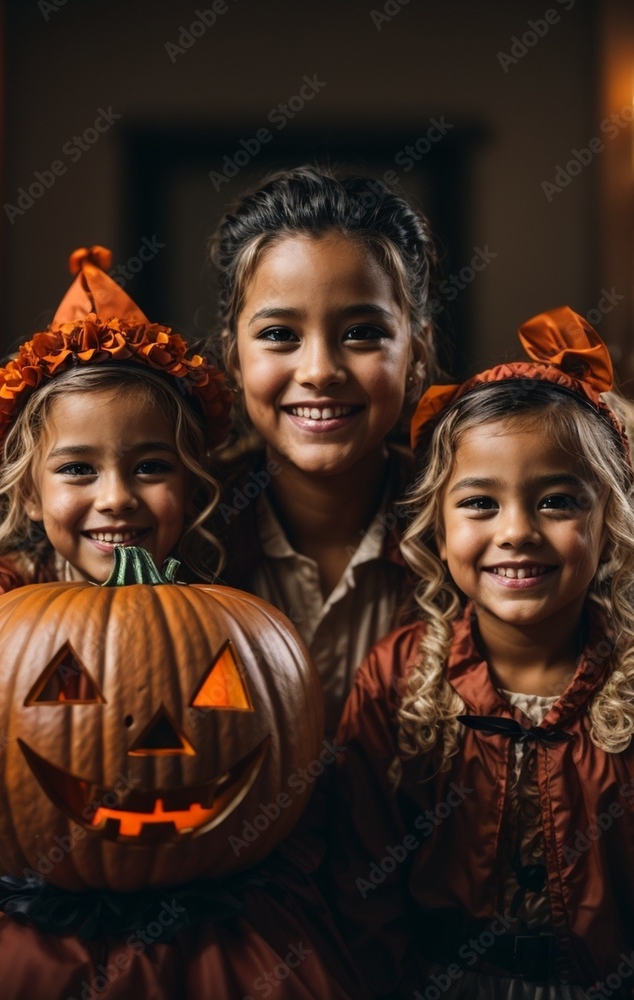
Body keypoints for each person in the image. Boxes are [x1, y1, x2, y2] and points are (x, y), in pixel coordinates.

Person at [0, 247, 368, 1000]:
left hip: (206, 921)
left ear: (192, 482)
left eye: (150, 467)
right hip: (42, 923)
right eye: (78, 470)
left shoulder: (220, 605)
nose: (117, 498)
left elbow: (273, 782)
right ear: (30, 494)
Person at [328, 307, 634, 998]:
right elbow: (359, 889)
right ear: (436, 523)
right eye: (479, 503)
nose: (517, 532)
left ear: (608, 521)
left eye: (557, 501)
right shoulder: (394, 676)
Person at [208, 164, 444, 735]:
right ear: (234, 361)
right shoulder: (181, 530)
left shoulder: (471, 535)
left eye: (362, 332)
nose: (320, 371)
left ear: (415, 356)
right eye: (279, 335)